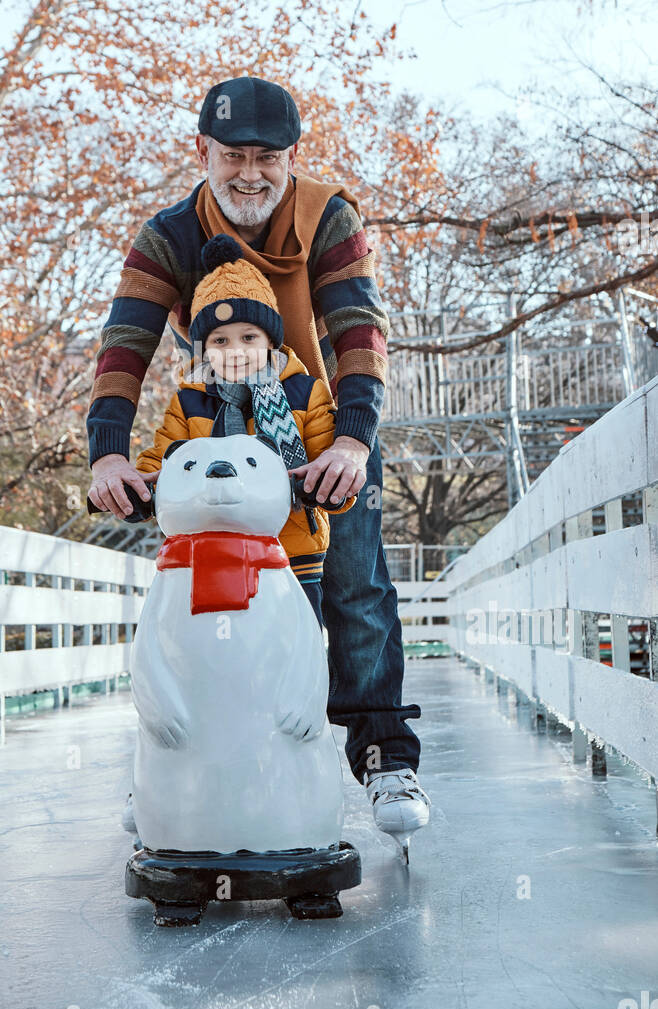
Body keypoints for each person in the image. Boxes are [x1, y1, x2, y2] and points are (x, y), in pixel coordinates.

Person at [86, 76, 431, 856]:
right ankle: (169, 775)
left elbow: (358, 333)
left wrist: (351, 441)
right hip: (220, 435)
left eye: (267, 157)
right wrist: (109, 450)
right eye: (233, 154)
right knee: (195, 598)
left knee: (354, 584)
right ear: (200, 150)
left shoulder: (327, 215)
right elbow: (125, 344)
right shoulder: (168, 235)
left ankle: (383, 756)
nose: (250, 173)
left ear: (292, 157)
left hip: (320, 428)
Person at [133, 231, 357, 629]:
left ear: (270, 341)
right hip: (208, 555)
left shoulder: (305, 393)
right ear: (204, 348)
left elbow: (326, 458)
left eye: (248, 337)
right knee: (220, 653)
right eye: (220, 340)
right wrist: (142, 489)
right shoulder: (189, 401)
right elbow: (163, 458)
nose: (235, 350)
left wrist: (326, 486)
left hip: (292, 553)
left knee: (292, 649)